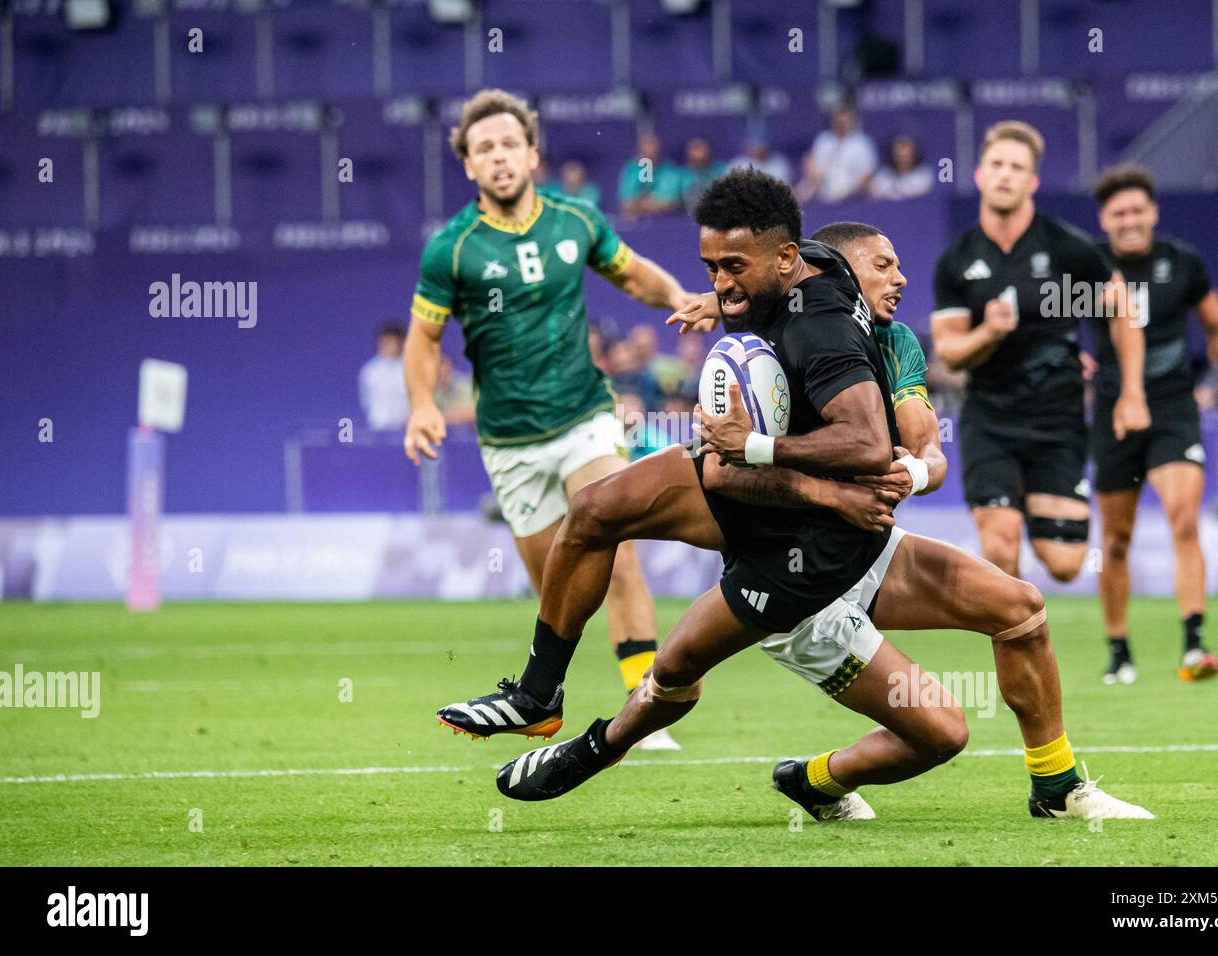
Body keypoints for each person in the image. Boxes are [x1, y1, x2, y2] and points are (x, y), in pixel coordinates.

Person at [441, 171, 1152, 821]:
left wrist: (912, 474)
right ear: (818, 264)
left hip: (856, 547)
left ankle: (852, 782)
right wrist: (815, 478)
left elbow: (914, 446)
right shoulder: (794, 289)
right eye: (884, 264)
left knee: (1000, 644)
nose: (901, 276)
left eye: (731, 267)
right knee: (652, 628)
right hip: (791, 575)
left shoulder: (879, 337)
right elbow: (723, 472)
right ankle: (575, 728)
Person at [405, 89, 705, 749]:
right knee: (560, 593)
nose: (499, 156)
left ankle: (645, 705)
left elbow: (631, 273)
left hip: (583, 415)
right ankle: (544, 701)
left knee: (616, 549)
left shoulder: (575, 220)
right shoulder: (451, 250)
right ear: (468, 165)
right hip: (509, 439)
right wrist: (423, 404)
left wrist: (677, 295)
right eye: (484, 148)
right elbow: (423, 339)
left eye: (509, 144)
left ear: (532, 154)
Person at [930, 121, 1150, 583]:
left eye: (1017, 168)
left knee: (1065, 564)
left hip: (1057, 421)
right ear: (980, 175)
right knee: (1000, 548)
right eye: (997, 164)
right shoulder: (957, 260)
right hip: (990, 420)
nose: (1005, 175)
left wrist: (1131, 392)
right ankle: (1006, 509)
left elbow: (1122, 310)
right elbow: (950, 351)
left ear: (1032, 182)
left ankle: (1031, 499)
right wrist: (987, 334)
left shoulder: (1066, 248)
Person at [1090, 164, 1218, 685]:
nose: (1130, 220)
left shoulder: (1182, 262)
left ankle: (1194, 643)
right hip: (1114, 411)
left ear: (1153, 212)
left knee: (1185, 519)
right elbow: (1050, 324)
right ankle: (1119, 651)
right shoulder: (1088, 267)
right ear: (1105, 220)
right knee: (1116, 539)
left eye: (1137, 210)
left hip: (1172, 407)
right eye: (1119, 213)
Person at [797, 106, 878, 203]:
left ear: (852, 120)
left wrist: (846, 194)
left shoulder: (862, 143)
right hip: (824, 196)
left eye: (845, 118)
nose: (842, 122)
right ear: (833, 119)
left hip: (853, 196)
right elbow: (814, 170)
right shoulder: (823, 140)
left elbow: (867, 175)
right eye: (838, 118)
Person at [359, 323, 411, 431]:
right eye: (382, 342)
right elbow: (366, 401)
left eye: (389, 343)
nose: (385, 346)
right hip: (377, 429)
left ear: (401, 343)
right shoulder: (371, 371)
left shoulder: (413, 369)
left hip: (407, 429)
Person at [618, 131, 681, 218]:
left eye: (652, 145)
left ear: (659, 147)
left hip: (664, 220)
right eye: (646, 145)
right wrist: (648, 204)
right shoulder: (631, 168)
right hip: (636, 220)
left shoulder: (670, 169)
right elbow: (625, 202)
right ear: (639, 148)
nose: (650, 149)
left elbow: (669, 202)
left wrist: (638, 204)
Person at [869, 134, 934, 200]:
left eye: (907, 155)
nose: (903, 157)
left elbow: (924, 196)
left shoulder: (924, 174)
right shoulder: (882, 176)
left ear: (914, 152)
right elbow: (877, 196)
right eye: (899, 155)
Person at [727, 129, 793, 184]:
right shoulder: (738, 163)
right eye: (752, 145)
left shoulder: (780, 163)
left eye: (758, 145)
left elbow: (785, 187)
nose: (755, 149)